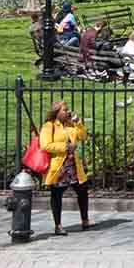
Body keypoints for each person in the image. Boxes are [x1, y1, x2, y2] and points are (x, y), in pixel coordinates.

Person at [39, 100, 92, 235]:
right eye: (65, 110)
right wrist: (65, 147)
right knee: (57, 194)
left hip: (73, 165)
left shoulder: (70, 125)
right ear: (56, 112)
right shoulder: (49, 126)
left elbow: (83, 136)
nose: (67, 112)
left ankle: (85, 220)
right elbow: (45, 145)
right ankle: (58, 225)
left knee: (82, 190)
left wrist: (78, 122)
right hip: (59, 166)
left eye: (68, 109)